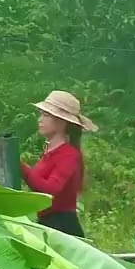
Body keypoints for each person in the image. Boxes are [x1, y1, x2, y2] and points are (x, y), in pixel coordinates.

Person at [21, 90, 98, 237]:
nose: (40, 120)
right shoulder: (50, 152)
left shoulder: (69, 155)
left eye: (46, 115)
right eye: (41, 114)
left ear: (62, 121)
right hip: (48, 224)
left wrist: (21, 167)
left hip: (62, 226)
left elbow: (50, 190)